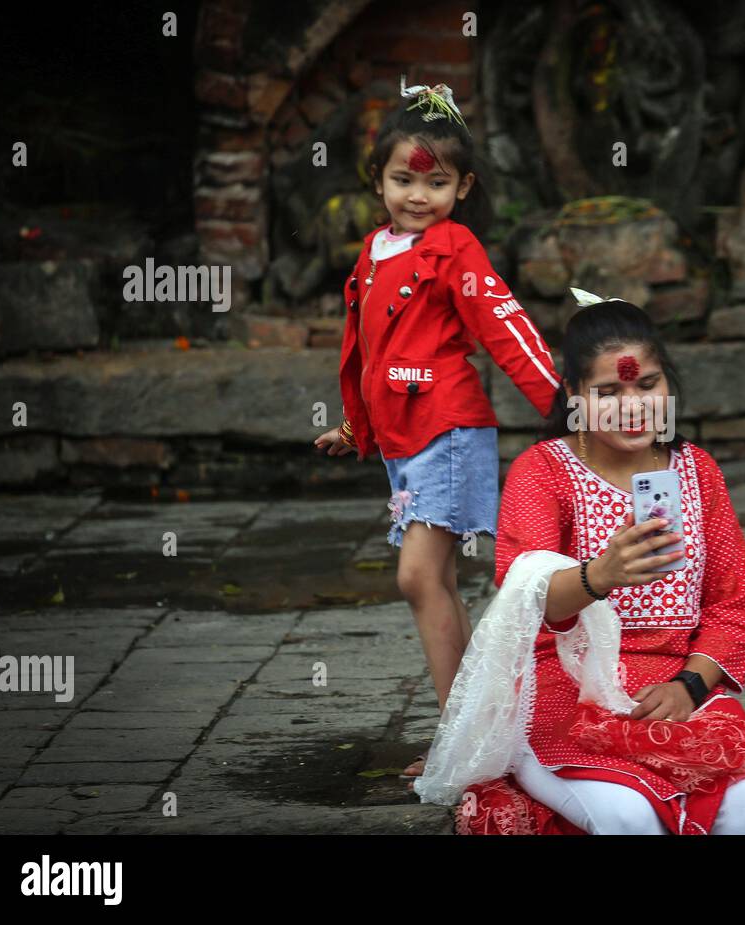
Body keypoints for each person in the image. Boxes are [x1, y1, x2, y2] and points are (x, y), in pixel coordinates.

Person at [414, 294, 745, 834]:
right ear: (575, 397)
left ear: (668, 386)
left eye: (647, 385)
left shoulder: (697, 471)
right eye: (608, 392)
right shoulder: (542, 474)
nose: (633, 406)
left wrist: (690, 687)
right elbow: (528, 602)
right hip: (565, 695)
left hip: (677, 691)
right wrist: (597, 576)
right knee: (630, 817)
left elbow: (732, 607)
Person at [315, 81, 560, 778]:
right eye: (402, 179)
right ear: (377, 179)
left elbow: (503, 323)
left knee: (418, 576)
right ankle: (471, 738)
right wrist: (355, 429)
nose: (417, 195)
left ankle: (466, 742)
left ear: (463, 186)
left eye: (437, 182)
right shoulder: (373, 253)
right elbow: (364, 353)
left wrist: (560, 401)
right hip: (404, 443)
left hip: (446, 432)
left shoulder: (453, 247)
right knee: (438, 582)